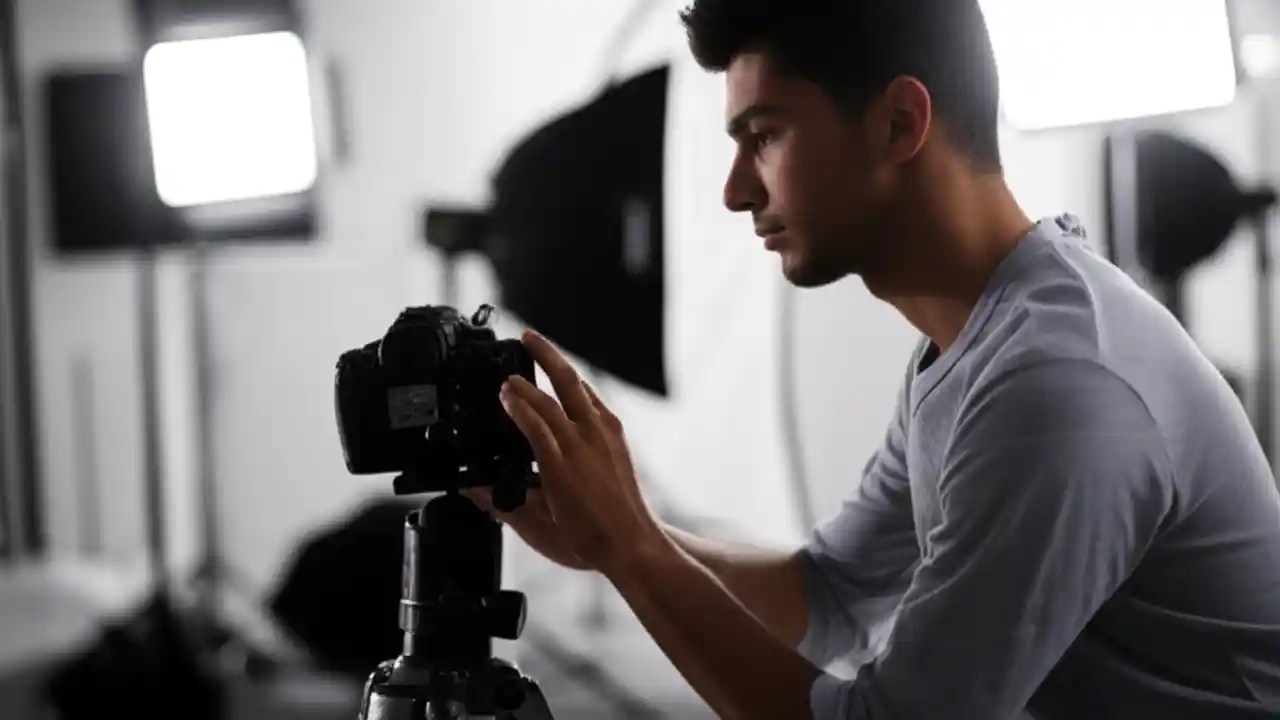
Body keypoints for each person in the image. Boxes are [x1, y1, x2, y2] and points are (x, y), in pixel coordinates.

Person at [466, 1, 1280, 717]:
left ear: (898, 123)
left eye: (765, 135)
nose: (734, 190)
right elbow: (828, 597)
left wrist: (633, 554)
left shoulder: (1056, 385)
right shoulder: (973, 344)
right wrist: (617, 534)